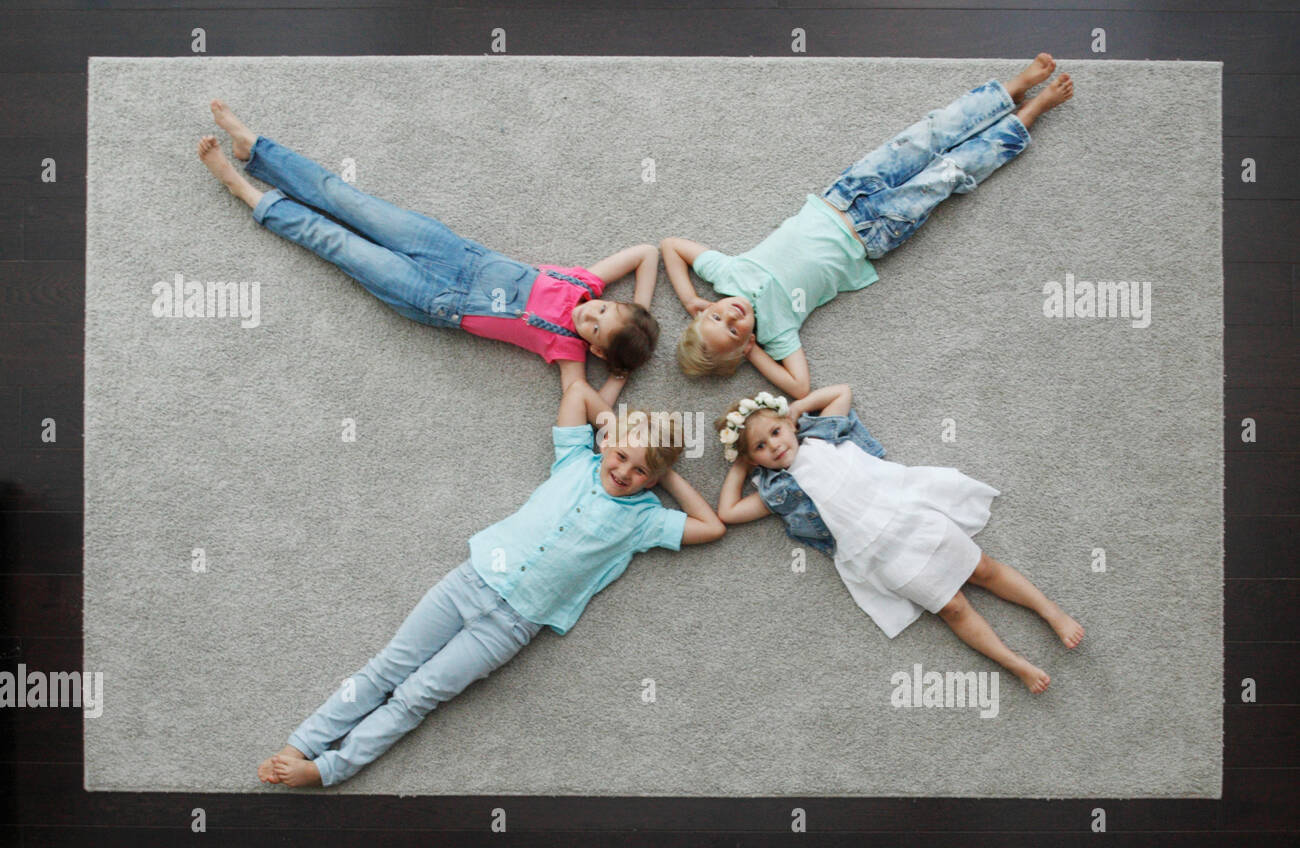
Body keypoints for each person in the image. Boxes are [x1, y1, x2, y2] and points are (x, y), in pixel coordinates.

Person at [259, 380, 726, 786]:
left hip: (511, 626)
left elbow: (712, 526)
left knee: (416, 696)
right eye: (622, 456)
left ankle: (331, 769)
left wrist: (668, 474)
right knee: (385, 670)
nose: (624, 472)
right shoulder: (576, 461)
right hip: (471, 580)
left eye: (640, 471)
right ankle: (302, 745)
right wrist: (623, 435)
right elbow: (579, 392)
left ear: (655, 478)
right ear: (608, 443)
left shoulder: (646, 519)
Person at [662, 54, 1073, 397]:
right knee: (951, 173)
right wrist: (754, 351)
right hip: (876, 231)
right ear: (747, 342)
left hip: (844, 194)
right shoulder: (776, 330)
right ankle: (1028, 115)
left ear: (709, 309)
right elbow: (800, 387)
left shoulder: (726, 276)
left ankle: (1009, 91)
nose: (731, 319)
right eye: (734, 332)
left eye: (717, 319)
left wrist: (689, 300)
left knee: (926, 136)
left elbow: (670, 246)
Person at [199, 101, 659, 402]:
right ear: (606, 297)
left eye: (596, 329)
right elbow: (646, 252)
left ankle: (243, 190)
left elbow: (585, 405)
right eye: (602, 310)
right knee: (347, 200)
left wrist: (618, 377)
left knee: (335, 242)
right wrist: (640, 307)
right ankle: (256, 149)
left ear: (595, 351)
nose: (589, 318)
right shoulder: (585, 283)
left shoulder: (568, 352)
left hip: (430, 298)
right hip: (451, 252)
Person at [713, 384, 1083, 694]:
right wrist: (741, 463)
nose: (774, 446)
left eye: (775, 433)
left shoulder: (823, 436)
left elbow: (842, 391)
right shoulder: (780, 491)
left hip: (907, 515)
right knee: (952, 608)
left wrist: (796, 409)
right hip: (879, 556)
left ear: (788, 426)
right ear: (756, 461)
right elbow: (728, 513)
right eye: (760, 447)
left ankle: (1051, 611)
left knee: (984, 568)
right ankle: (1014, 662)